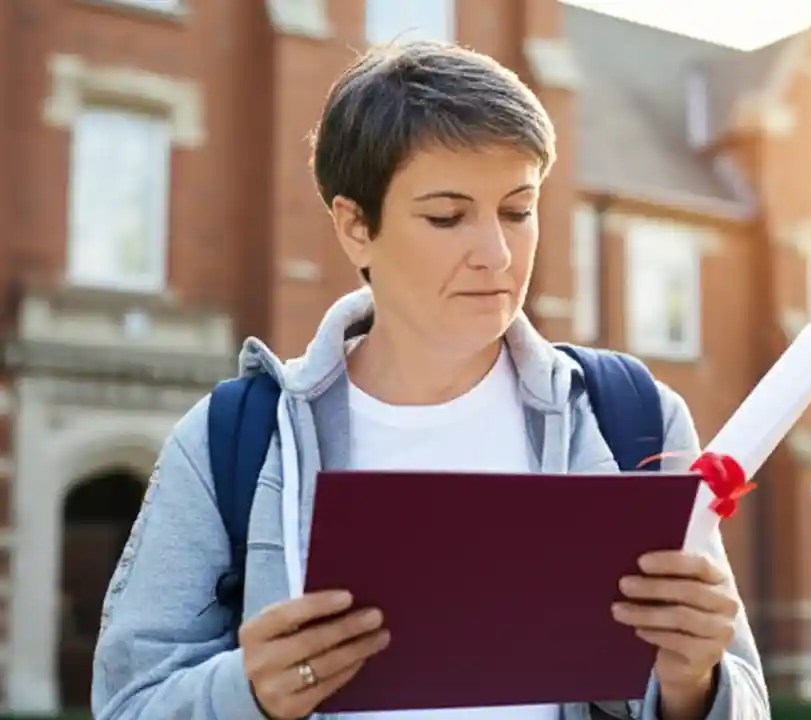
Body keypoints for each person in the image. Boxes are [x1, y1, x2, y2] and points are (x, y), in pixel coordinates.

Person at [91, 40, 769, 720]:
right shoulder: (227, 442)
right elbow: (127, 705)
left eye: (517, 210)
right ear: (356, 227)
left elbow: (745, 703)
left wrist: (697, 689)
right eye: (447, 216)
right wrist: (247, 692)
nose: (497, 255)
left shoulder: (638, 421)